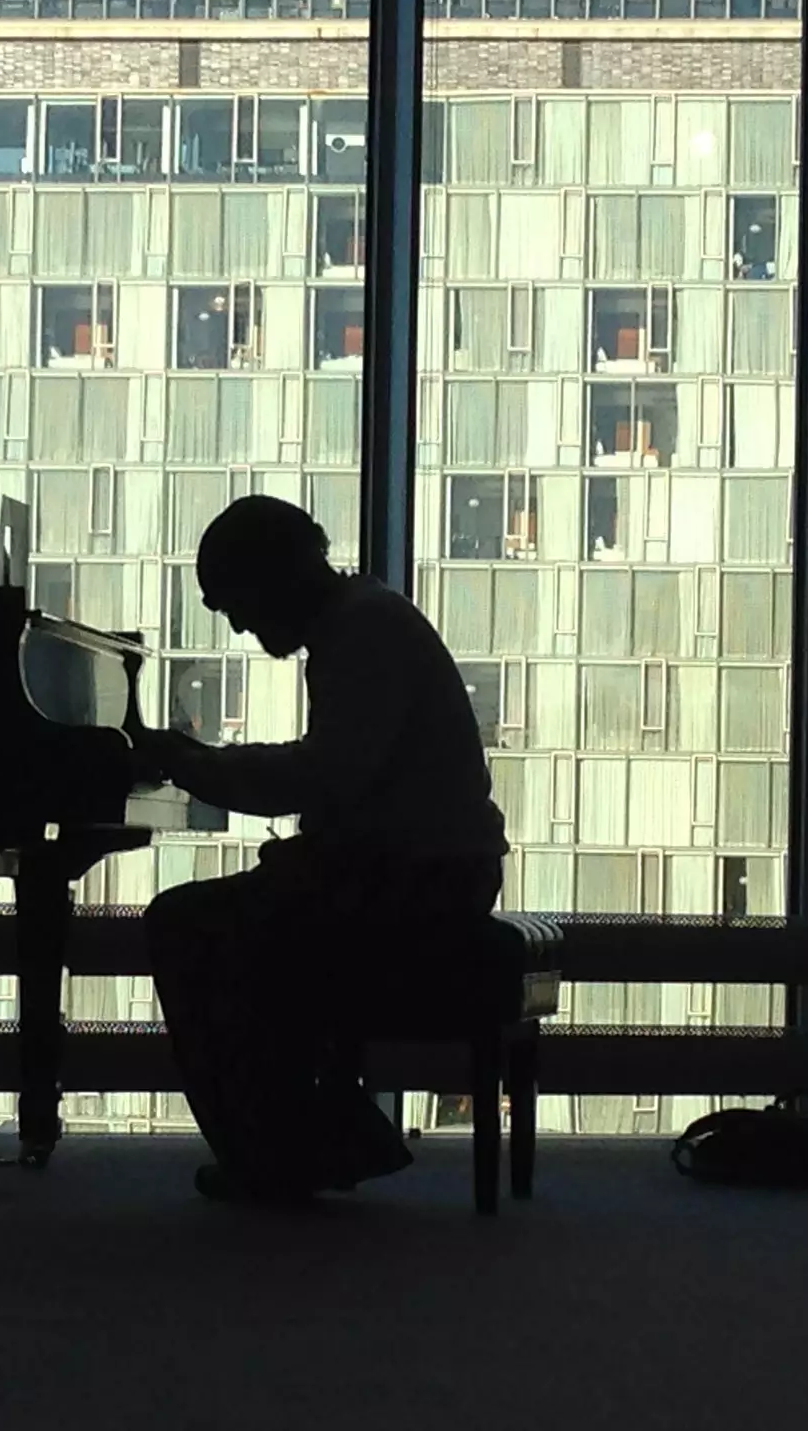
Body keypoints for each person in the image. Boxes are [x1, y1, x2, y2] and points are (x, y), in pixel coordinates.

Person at [132, 495, 508, 1206]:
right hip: (425, 867)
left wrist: (191, 761)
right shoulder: (360, 621)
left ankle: (277, 1150)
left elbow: (326, 775)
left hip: (423, 879)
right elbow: (348, 795)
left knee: (182, 925)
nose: (240, 624)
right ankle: (313, 1130)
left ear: (274, 573)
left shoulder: (362, 633)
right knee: (246, 914)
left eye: (236, 601)